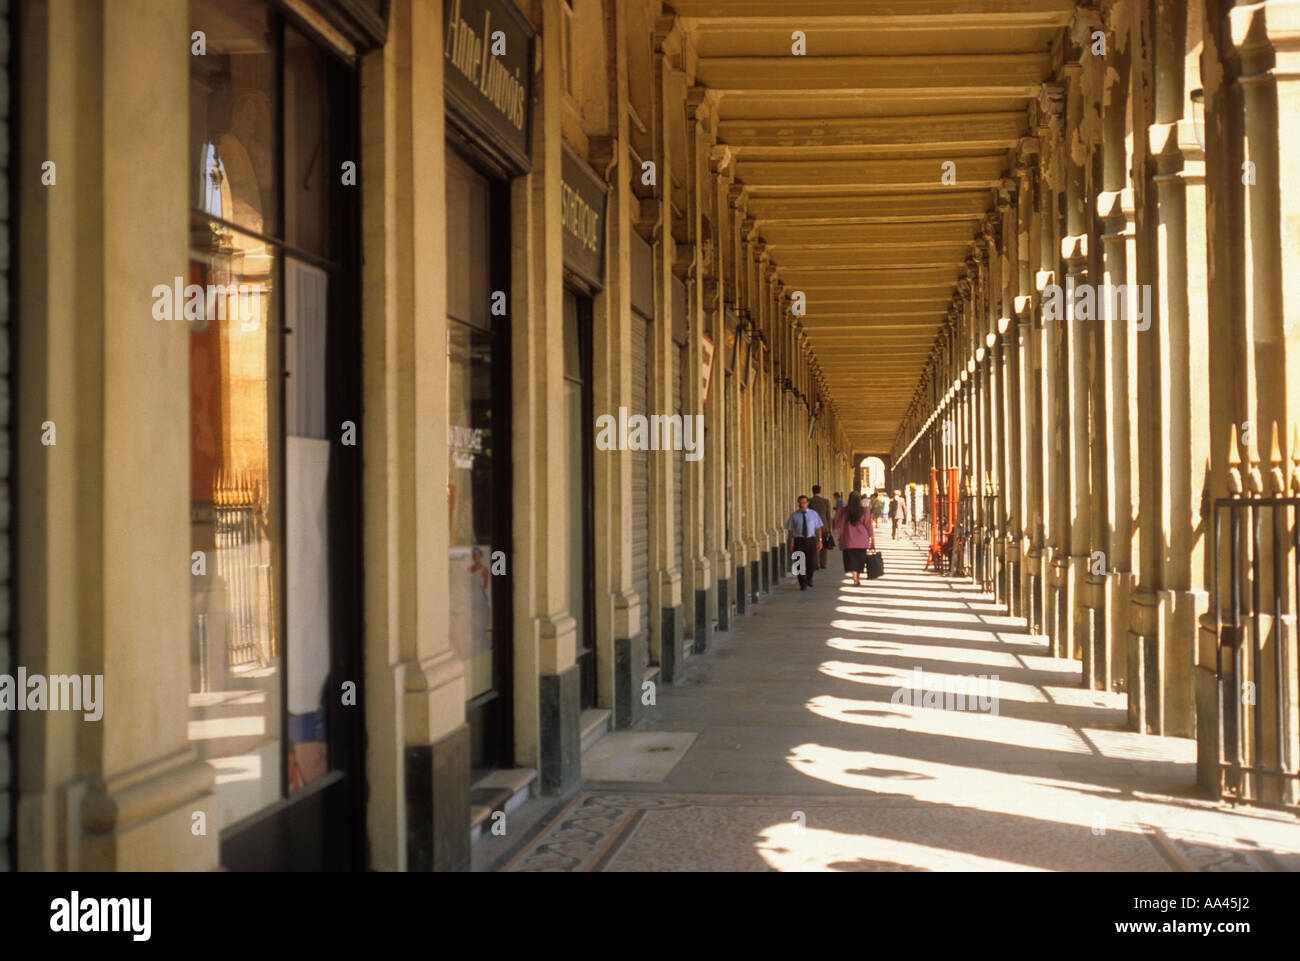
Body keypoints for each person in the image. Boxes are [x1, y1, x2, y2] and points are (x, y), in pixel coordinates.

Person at [834, 491, 875, 586]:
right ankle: (858, 577)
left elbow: (837, 524)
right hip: (862, 540)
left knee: (850, 560)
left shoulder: (843, 511)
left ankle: (855, 578)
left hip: (848, 540)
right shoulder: (865, 510)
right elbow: (869, 525)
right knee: (860, 560)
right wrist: (872, 538)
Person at [785, 495, 823, 589]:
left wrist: (820, 540)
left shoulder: (814, 514)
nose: (801, 505)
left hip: (811, 540)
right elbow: (790, 531)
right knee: (799, 563)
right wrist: (790, 543)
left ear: (808, 503)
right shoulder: (794, 516)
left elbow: (818, 528)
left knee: (813, 563)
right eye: (800, 503)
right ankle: (803, 583)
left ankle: (809, 578)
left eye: (803, 503)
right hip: (799, 540)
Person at [808, 485, 833, 569]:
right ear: (820, 491)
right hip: (824, 526)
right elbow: (828, 515)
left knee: (814, 545)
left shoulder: (810, 501)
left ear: (812, 491)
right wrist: (830, 527)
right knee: (824, 546)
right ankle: (823, 563)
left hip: (812, 526)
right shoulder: (825, 501)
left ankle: (816, 563)